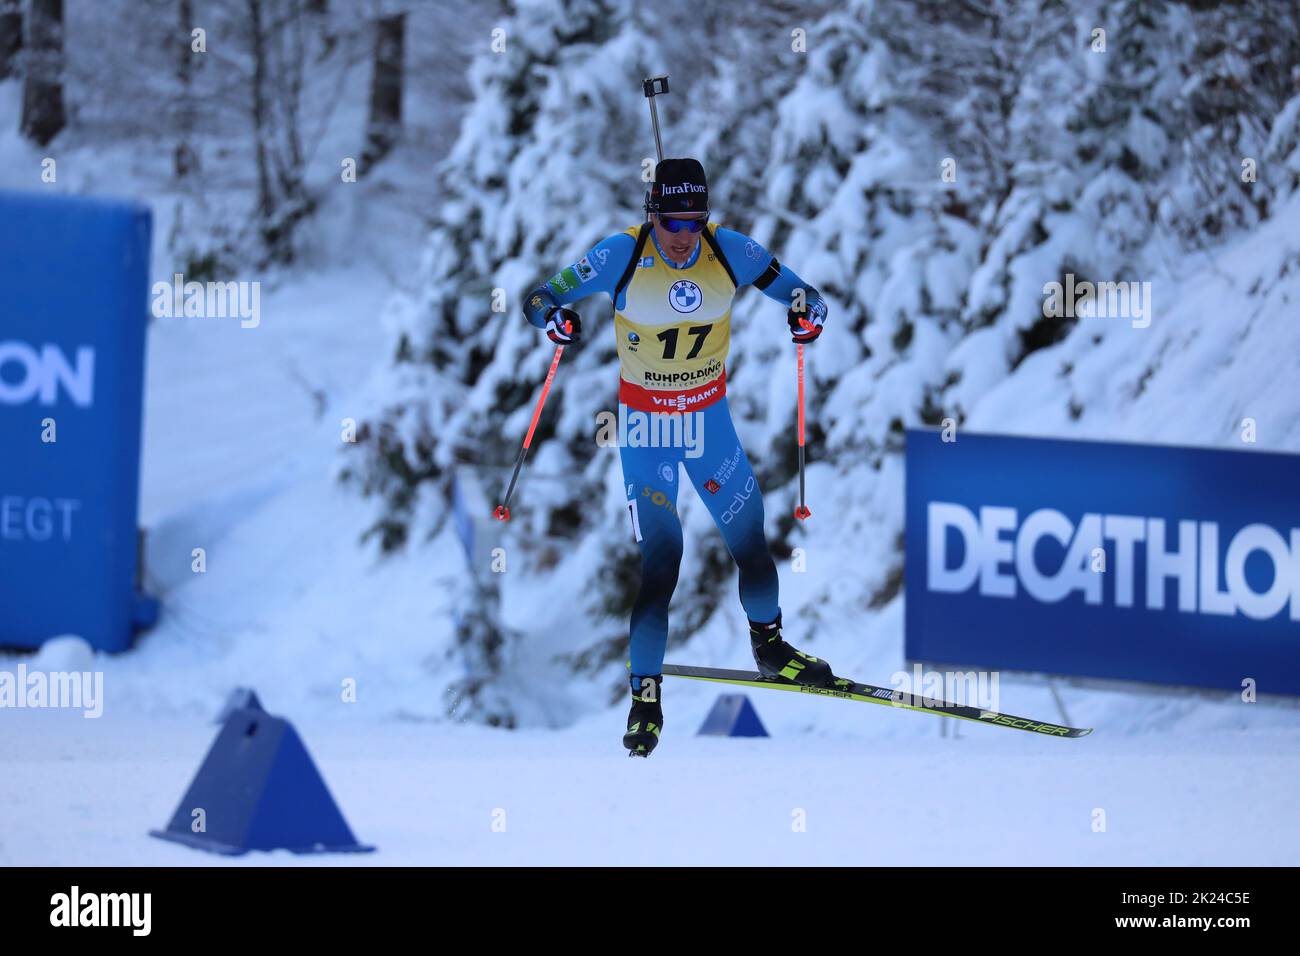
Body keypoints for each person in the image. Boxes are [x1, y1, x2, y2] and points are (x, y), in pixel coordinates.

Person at [521, 158, 835, 756]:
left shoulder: (730, 250)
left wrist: (805, 316)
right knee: (664, 561)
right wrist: (554, 319)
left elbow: (803, 295)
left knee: (751, 542)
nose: (684, 236)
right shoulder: (620, 254)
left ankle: (770, 648)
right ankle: (644, 698)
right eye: (673, 222)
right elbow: (542, 296)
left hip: (709, 420)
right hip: (646, 428)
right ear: (652, 213)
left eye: (695, 221)